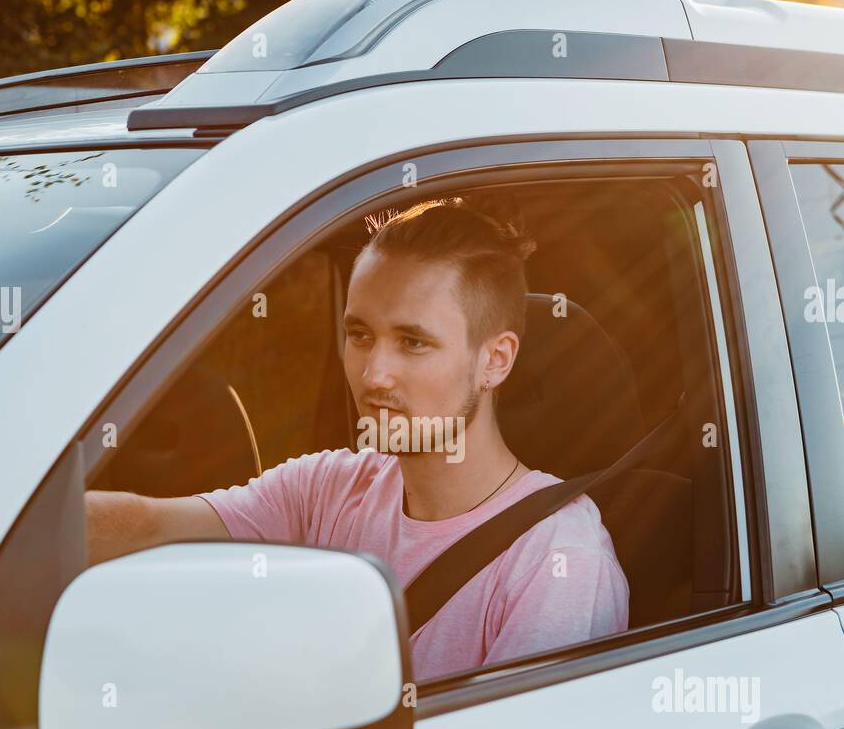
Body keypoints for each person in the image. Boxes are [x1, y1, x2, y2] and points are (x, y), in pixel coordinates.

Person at [85, 198, 629, 680]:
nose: (373, 375)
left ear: (494, 360)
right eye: (360, 335)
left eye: (413, 342)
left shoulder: (556, 560)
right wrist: (5, 526)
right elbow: (144, 524)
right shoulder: (329, 488)